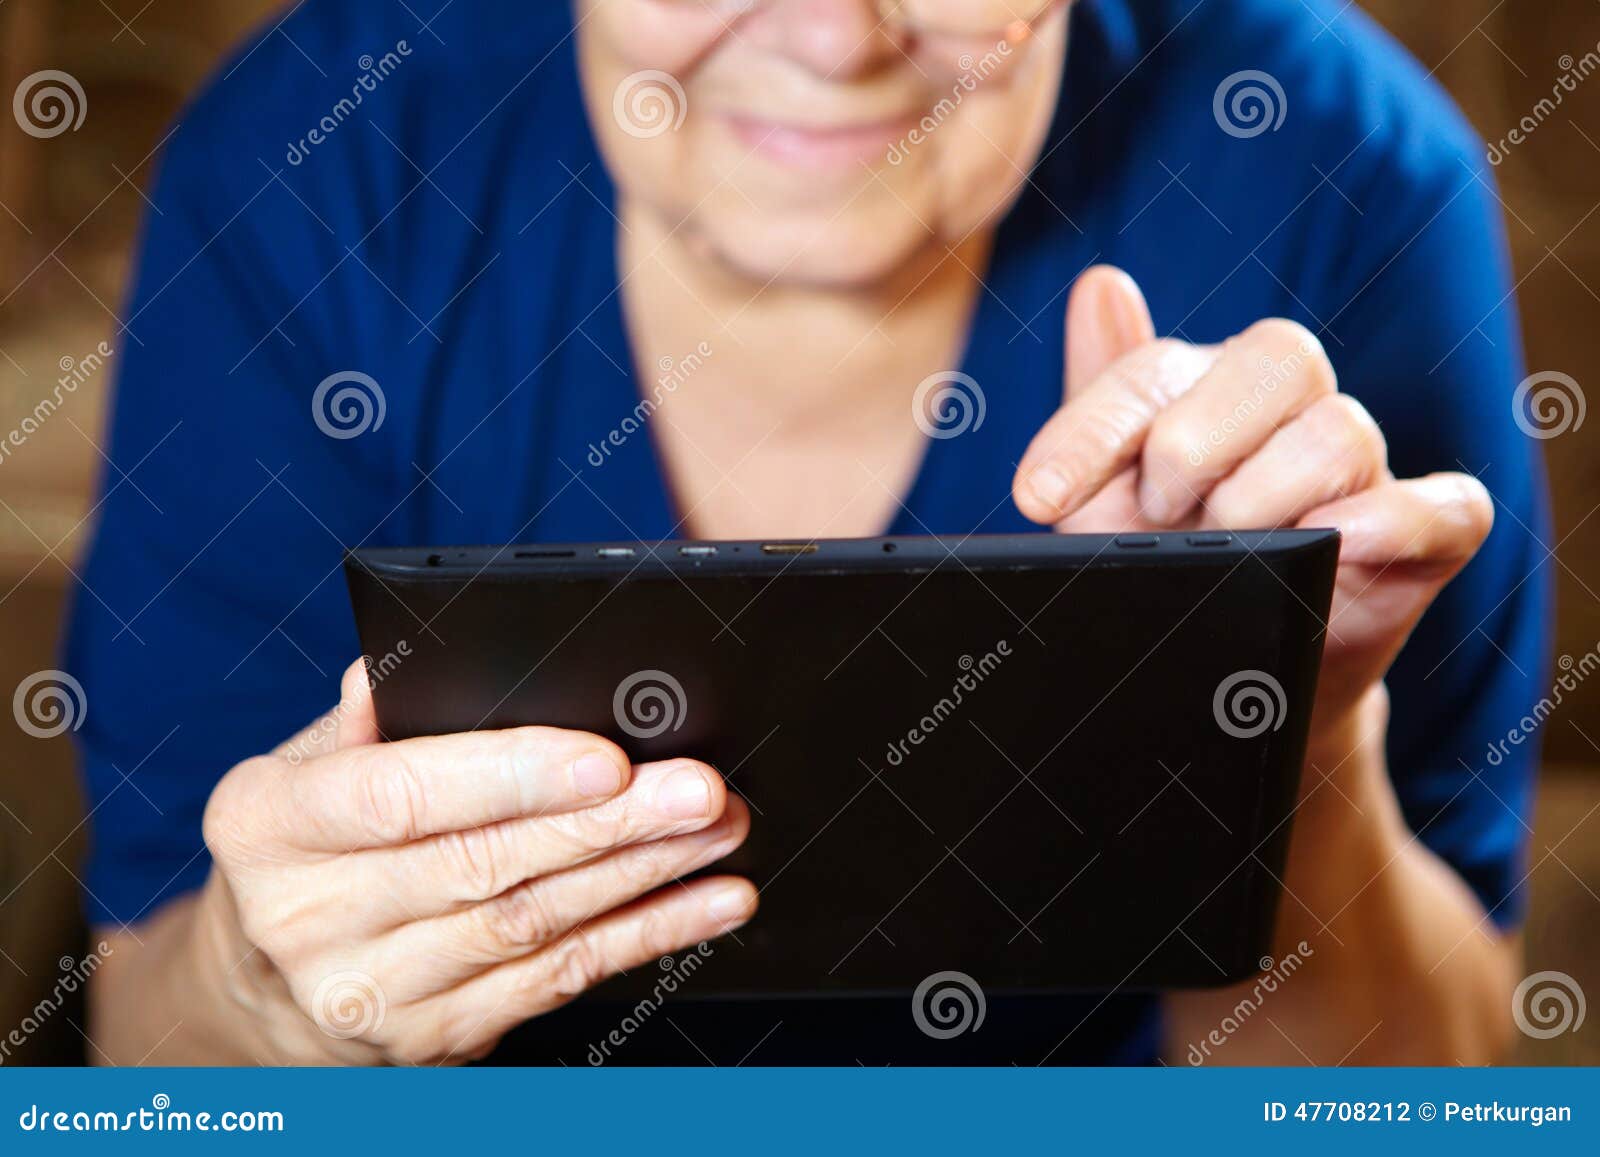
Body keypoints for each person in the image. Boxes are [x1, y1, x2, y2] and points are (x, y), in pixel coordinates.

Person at [70, 0, 1549, 1065]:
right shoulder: (315, 165)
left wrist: (1295, 742)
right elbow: (145, 1053)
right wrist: (271, 1001)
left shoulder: (1347, 177)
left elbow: (1435, 1085)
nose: (838, 38)